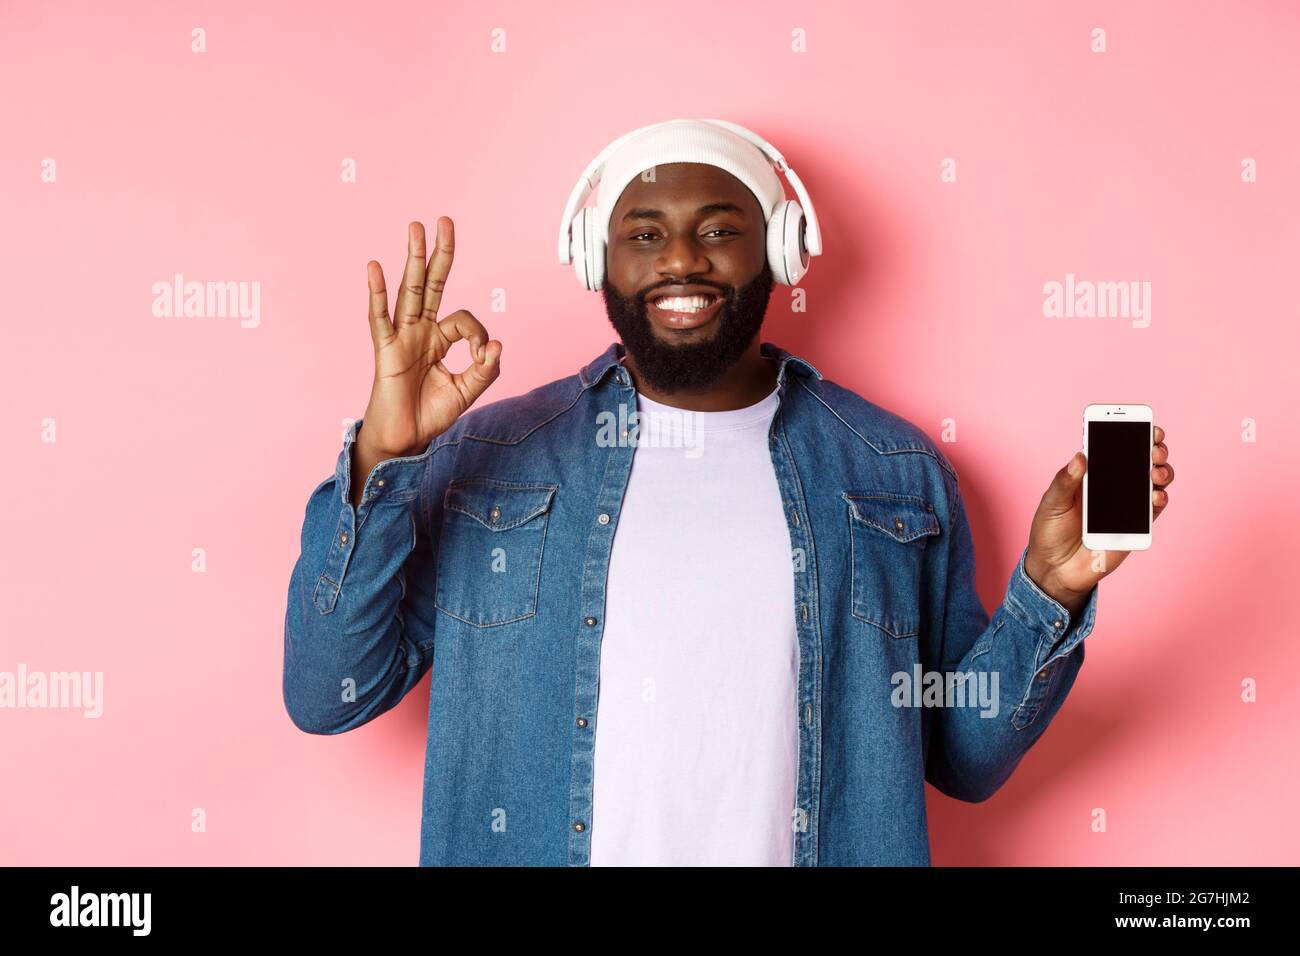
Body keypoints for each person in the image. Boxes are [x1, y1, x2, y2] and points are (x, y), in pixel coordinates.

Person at [282, 119, 1175, 866]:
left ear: (778, 251)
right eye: (644, 232)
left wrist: (1049, 592)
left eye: (718, 229)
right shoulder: (493, 456)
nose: (682, 259)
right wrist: (384, 462)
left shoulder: (892, 471)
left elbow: (963, 761)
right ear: (597, 261)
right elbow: (328, 693)